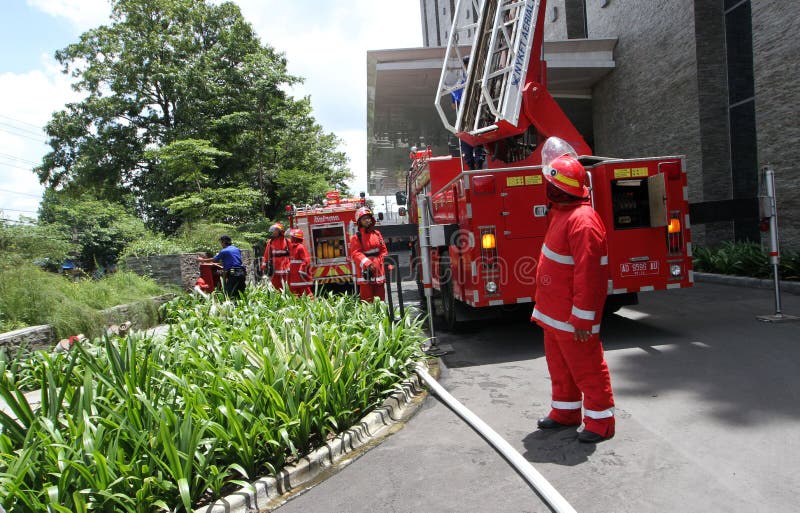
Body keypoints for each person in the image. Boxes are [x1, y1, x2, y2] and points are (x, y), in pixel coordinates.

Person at [531, 138, 615, 443]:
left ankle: (601, 421)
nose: (547, 188)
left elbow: (589, 275)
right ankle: (565, 412)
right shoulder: (563, 213)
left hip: (571, 317)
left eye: (551, 184)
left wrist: (582, 318)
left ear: (560, 190)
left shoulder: (582, 221)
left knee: (587, 368)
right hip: (555, 314)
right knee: (561, 368)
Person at [450, 56, 486, 170]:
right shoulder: (480, 78)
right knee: (478, 138)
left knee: (466, 142)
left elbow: (453, 105)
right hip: (476, 114)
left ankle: (471, 167)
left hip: (463, 118)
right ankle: (479, 164)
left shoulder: (458, 84)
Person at [349, 207, 388, 301]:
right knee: (367, 300)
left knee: (381, 299)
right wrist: (368, 264)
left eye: (368, 218)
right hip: (365, 273)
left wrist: (385, 263)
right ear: (359, 222)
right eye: (364, 219)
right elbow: (355, 254)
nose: (367, 220)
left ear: (371, 219)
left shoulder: (377, 234)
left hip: (378, 271)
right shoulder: (356, 237)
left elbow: (383, 250)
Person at [198, 234, 247, 299]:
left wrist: (202, 260)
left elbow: (214, 259)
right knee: (240, 291)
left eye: (221, 242)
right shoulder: (236, 249)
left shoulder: (224, 251)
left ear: (223, 242)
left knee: (230, 292)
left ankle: (232, 304)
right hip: (242, 272)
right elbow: (233, 261)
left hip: (233, 272)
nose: (221, 244)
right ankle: (240, 303)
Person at [262, 223, 290, 290]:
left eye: (275, 230)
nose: (273, 232)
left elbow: (293, 254)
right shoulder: (271, 242)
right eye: (273, 230)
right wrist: (264, 266)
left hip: (286, 268)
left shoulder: (287, 241)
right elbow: (266, 255)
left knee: (287, 286)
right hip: (275, 268)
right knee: (276, 285)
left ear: (280, 231)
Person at [287, 229, 314, 297]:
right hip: (294, 276)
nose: (290, 238)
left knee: (306, 293)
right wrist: (288, 268)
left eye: (292, 237)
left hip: (300, 276)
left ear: (295, 238)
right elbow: (291, 261)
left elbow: (306, 260)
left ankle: (311, 303)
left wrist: (302, 270)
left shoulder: (300, 247)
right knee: (295, 294)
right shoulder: (292, 248)